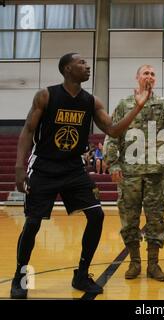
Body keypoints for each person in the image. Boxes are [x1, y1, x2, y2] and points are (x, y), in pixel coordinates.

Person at [11, 52, 151, 299]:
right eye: (81, 63)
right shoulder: (46, 95)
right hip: (44, 166)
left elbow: (113, 130)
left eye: (87, 63)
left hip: (73, 168)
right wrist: (20, 167)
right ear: (67, 69)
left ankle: (82, 274)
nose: (87, 66)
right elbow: (28, 129)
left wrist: (138, 106)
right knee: (33, 223)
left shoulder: (91, 101)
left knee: (96, 216)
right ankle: (20, 276)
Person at [103, 64, 164, 282]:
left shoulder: (162, 104)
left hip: (155, 172)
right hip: (129, 173)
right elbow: (112, 134)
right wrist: (112, 164)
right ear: (137, 77)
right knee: (129, 219)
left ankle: (153, 264)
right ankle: (134, 263)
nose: (150, 77)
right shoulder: (125, 104)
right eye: (146, 73)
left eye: (153, 74)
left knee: (156, 220)